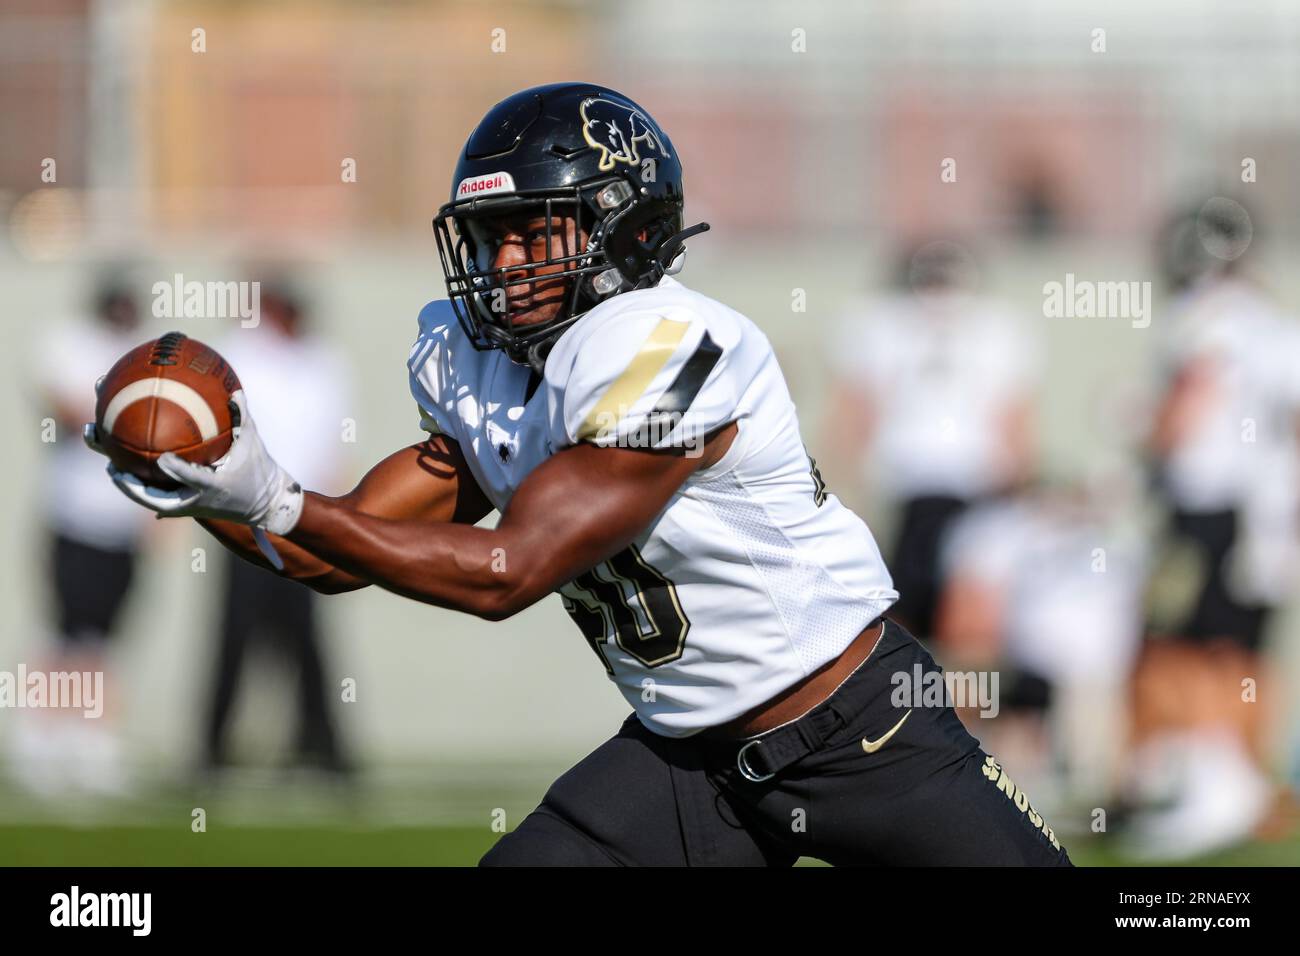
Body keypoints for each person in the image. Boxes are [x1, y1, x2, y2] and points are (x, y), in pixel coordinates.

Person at [83, 83, 1070, 865]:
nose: (504, 262)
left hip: (860, 733)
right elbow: (337, 551)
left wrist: (276, 496)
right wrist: (207, 486)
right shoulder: (481, 361)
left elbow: (507, 569)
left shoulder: (668, 344)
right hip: (689, 759)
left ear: (622, 227)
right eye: (490, 236)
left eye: (532, 231)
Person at [820, 241, 1038, 639]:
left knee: (940, 611)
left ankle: (927, 693)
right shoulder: (888, 325)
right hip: (925, 488)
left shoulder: (889, 325)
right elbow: (857, 412)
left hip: (952, 487)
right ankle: (936, 694)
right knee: (930, 609)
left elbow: (855, 415)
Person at [203, 283, 355, 775]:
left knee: (307, 641)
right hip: (247, 520)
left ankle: (321, 745)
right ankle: (212, 749)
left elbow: (333, 444)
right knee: (233, 636)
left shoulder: (322, 363)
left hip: (304, 521)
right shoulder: (240, 356)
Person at [14, 277, 150, 795]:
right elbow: (69, 411)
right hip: (74, 517)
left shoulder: (141, 357)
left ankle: (93, 741)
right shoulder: (69, 342)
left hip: (123, 520)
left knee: (106, 638)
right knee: (65, 631)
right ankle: (39, 735)